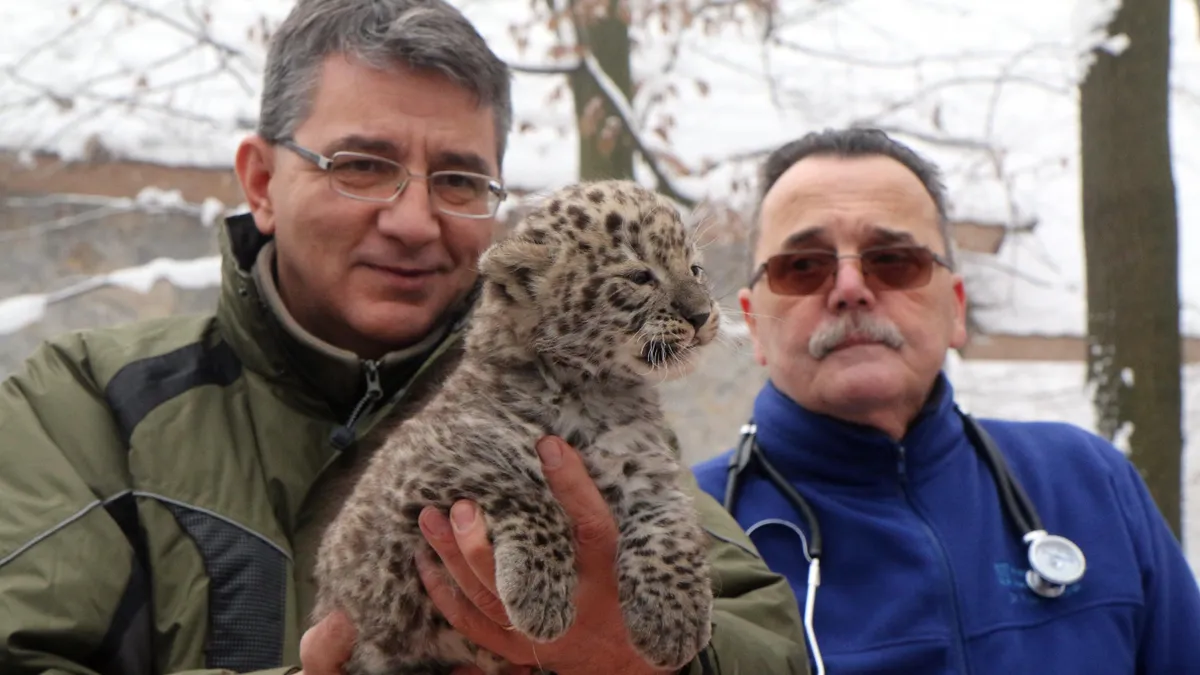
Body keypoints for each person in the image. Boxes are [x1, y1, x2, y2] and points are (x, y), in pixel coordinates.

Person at [0, 1, 811, 674]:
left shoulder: (589, 388)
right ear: (260, 183)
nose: (414, 220)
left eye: (459, 180)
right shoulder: (79, 404)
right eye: (359, 164)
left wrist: (645, 662)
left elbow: (771, 644)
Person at [692, 127, 1200, 675]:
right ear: (753, 323)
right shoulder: (678, 531)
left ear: (956, 307)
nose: (849, 287)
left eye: (892, 259)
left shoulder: (1089, 487)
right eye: (804, 267)